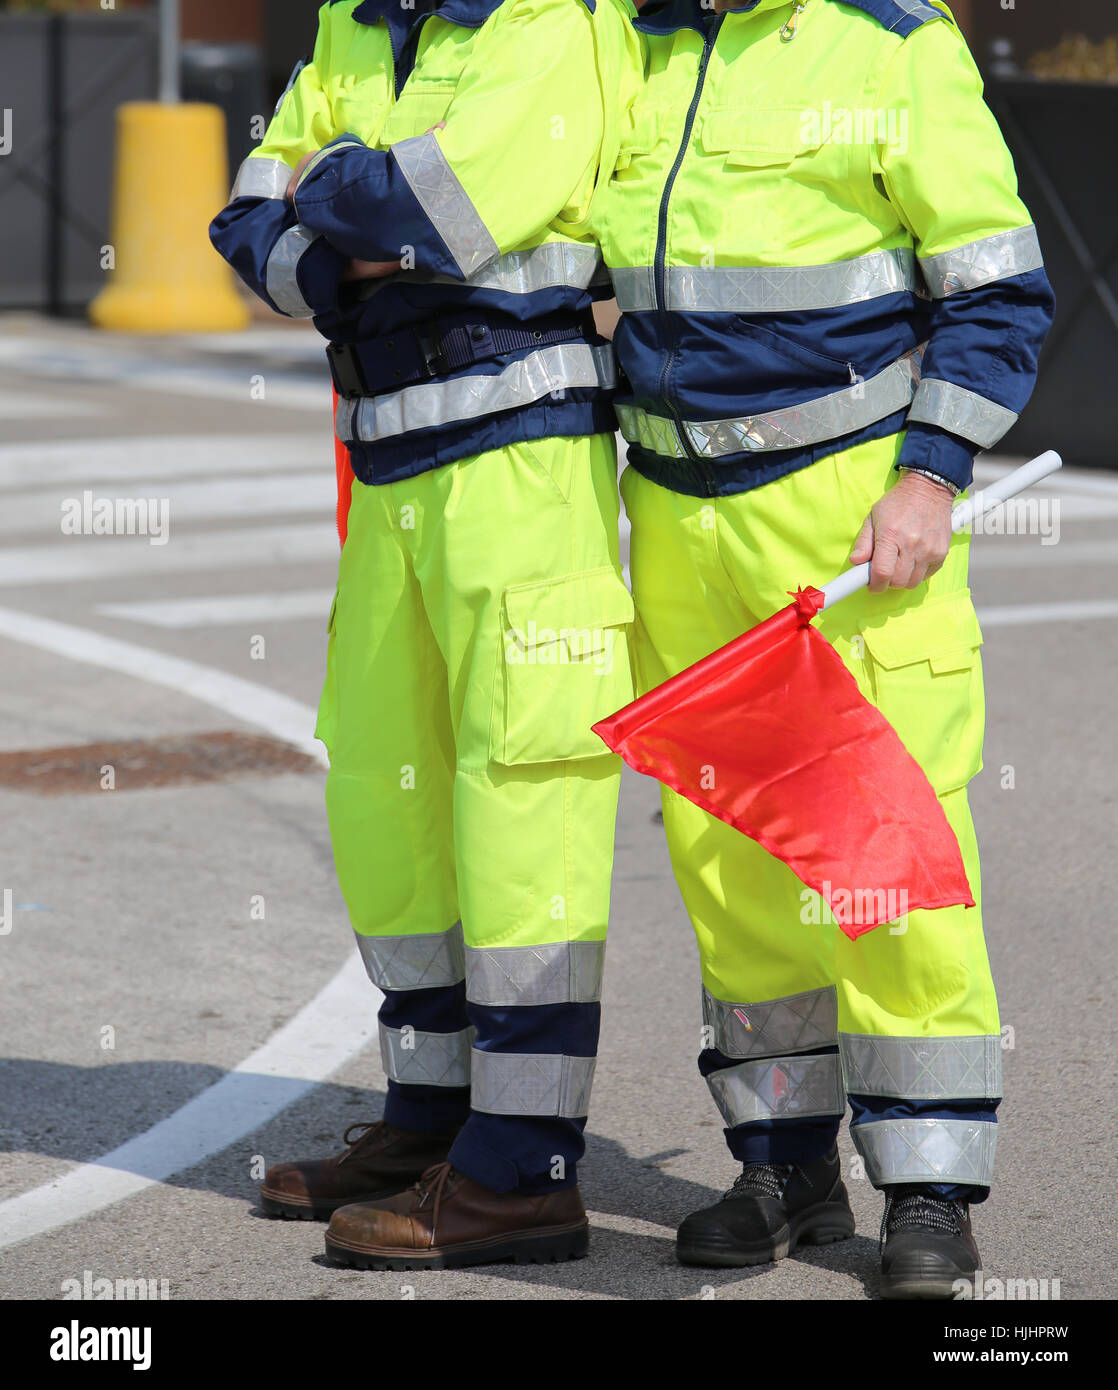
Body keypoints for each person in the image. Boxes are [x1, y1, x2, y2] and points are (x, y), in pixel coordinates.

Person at [596, 0, 1054, 1296]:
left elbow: (998, 285)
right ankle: (783, 1166)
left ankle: (928, 1191)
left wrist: (930, 476)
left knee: (881, 856)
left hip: (842, 515)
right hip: (676, 519)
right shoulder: (639, 44)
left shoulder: (890, 43)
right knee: (732, 857)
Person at [210, 0, 643, 1270]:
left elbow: (434, 213)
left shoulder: (547, 22)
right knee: (387, 805)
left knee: (521, 807)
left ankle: (522, 1170)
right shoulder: (354, 23)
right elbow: (246, 219)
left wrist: (334, 198)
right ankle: (429, 1120)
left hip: (521, 468)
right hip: (390, 471)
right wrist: (345, 237)